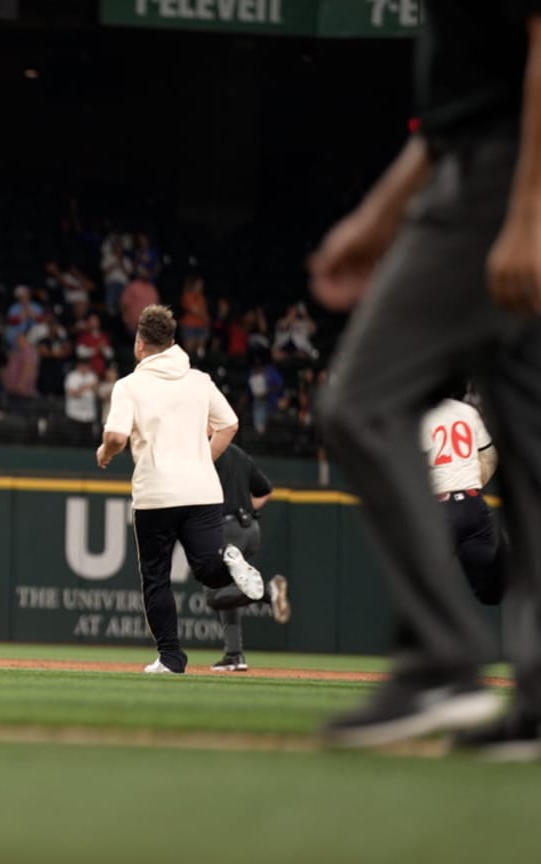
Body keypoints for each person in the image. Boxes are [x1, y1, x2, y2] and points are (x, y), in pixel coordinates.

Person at [309, 3, 541, 753]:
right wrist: (379, 217)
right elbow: (468, 100)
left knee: (360, 402)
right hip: (491, 162)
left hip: (500, 178)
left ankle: (443, 660)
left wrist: (529, 210)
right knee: (532, 457)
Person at [96, 305, 263, 674]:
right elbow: (230, 425)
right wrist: (203, 457)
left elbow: (116, 436)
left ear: (140, 344)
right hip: (201, 491)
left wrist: (104, 452)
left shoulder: (129, 385)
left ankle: (171, 657)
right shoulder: (199, 380)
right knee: (207, 569)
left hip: (156, 494)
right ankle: (230, 560)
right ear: (172, 343)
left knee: (156, 577)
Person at [207, 444, 292, 672]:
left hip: (226, 529)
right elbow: (264, 490)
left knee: (214, 596)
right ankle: (234, 655)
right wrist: (244, 508)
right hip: (250, 529)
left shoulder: (207, 450)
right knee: (227, 591)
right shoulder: (239, 454)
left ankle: (268, 591)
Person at [421, 390, 504, 606]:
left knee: (423, 592)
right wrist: (471, 483)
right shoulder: (468, 411)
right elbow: (490, 456)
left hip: (442, 509)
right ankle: (508, 559)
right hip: (474, 506)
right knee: (491, 594)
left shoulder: (421, 414)